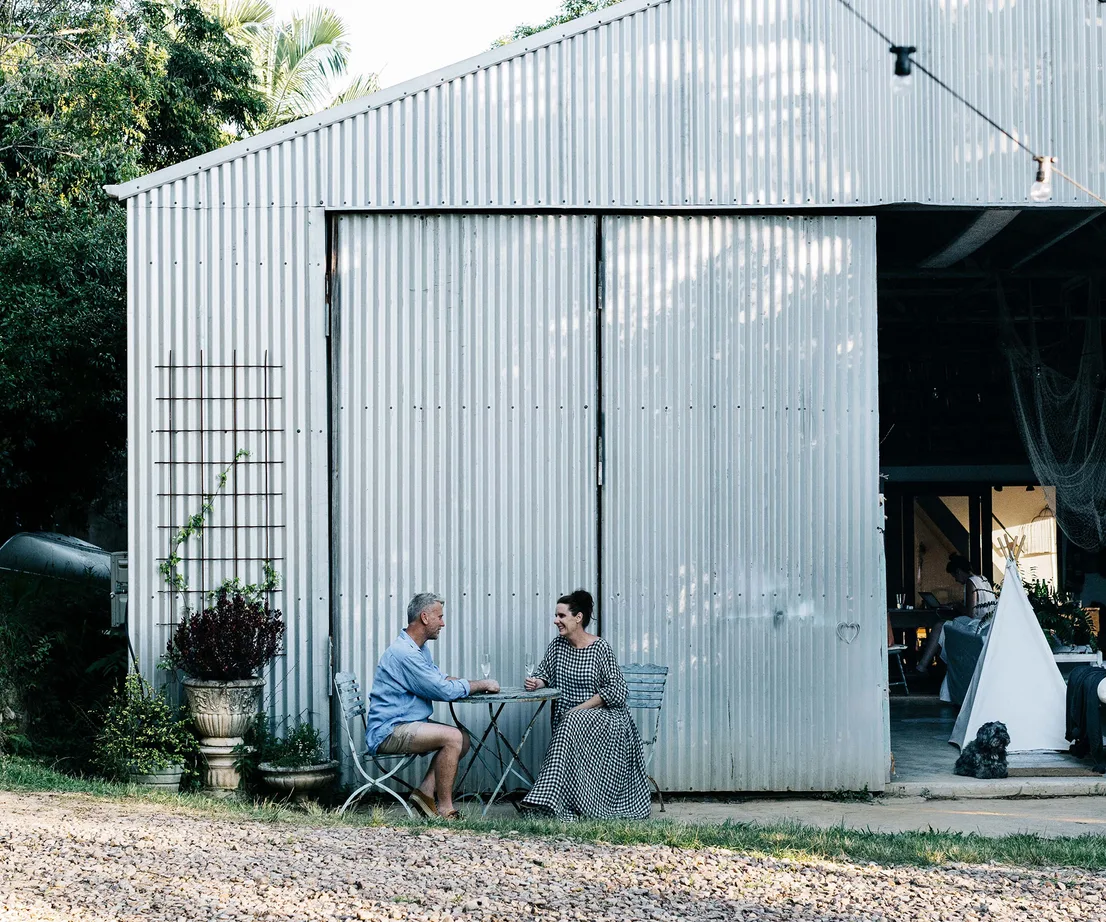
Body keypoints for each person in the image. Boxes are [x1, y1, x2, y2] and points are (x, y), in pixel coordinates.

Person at [364, 592, 500, 819]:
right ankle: (446, 809)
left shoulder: (418, 649)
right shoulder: (405, 654)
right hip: (389, 730)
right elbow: (442, 690)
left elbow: (441, 679)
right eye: (440, 617)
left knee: (463, 738)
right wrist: (481, 683)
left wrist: (465, 683)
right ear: (425, 617)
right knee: (453, 738)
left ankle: (425, 793)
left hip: (405, 723)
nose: (443, 623)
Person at [520, 589, 651, 820]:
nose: (556, 620)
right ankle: (554, 801)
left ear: (578, 618)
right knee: (570, 721)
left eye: (561, 616)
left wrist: (580, 709)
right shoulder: (557, 646)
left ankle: (542, 799)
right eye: (556, 615)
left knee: (571, 720)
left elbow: (617, 690)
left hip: (606, 719)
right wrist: (537, 682)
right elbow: (544, 673)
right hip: (571, 721)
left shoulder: (600, 648)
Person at [916, 554, 997, 674]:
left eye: (954, 576)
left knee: (939, 627)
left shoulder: (970, 582)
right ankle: (927, 667)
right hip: (988, 623)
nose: (956, 580)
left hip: (976, 625)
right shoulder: (983, 579)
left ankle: (922, 666)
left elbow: (971, 613)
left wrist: (957, 606)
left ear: (958, 571)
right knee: (945, 625)